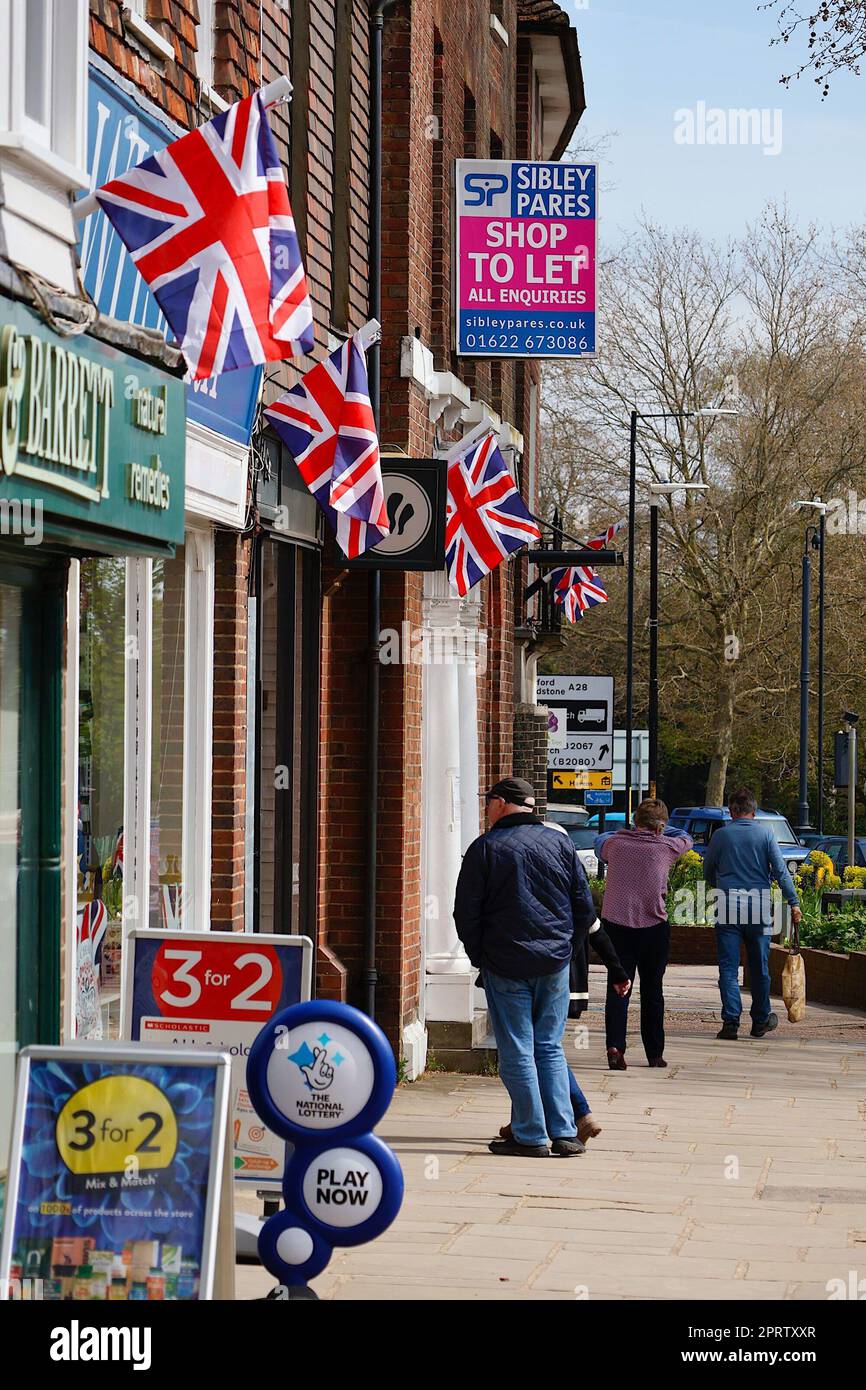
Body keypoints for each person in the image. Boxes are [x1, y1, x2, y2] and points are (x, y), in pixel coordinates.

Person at [455, 777, 630, 1158]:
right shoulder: (561, 843)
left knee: (517, 1047)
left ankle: (530, 1134)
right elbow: (584, 909)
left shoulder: (485, 849)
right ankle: (565, 1132)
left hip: (505, 963)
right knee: (549, 1047)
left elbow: (465, 914)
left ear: (501, 803)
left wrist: (478, 956)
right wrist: (564, 947)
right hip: (554, 964)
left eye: (488, 802)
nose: (486, 809)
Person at [594, 798, 693, 1070]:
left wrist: (630, 829)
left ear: (636, 820)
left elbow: (600, 840)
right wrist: (660, 830)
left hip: (616, 926)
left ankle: (615, 1045)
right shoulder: (667, 847)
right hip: (653, 928)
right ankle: (654, 1053)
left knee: (618, 987)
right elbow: (686, 837)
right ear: (661, 826)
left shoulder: (615, 845)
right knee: (653, 991)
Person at [703, 787, 802, 1040]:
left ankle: (730, 1023)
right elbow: (781, 871)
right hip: (758, 906)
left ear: (731, 811)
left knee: (728, 968)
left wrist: (721, 884)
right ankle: (760, 1020)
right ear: (754, 811)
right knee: (759, 966)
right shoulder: (766, 835)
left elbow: (708, 871)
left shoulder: (720, 836)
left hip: (727, 905)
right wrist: (794, 902)